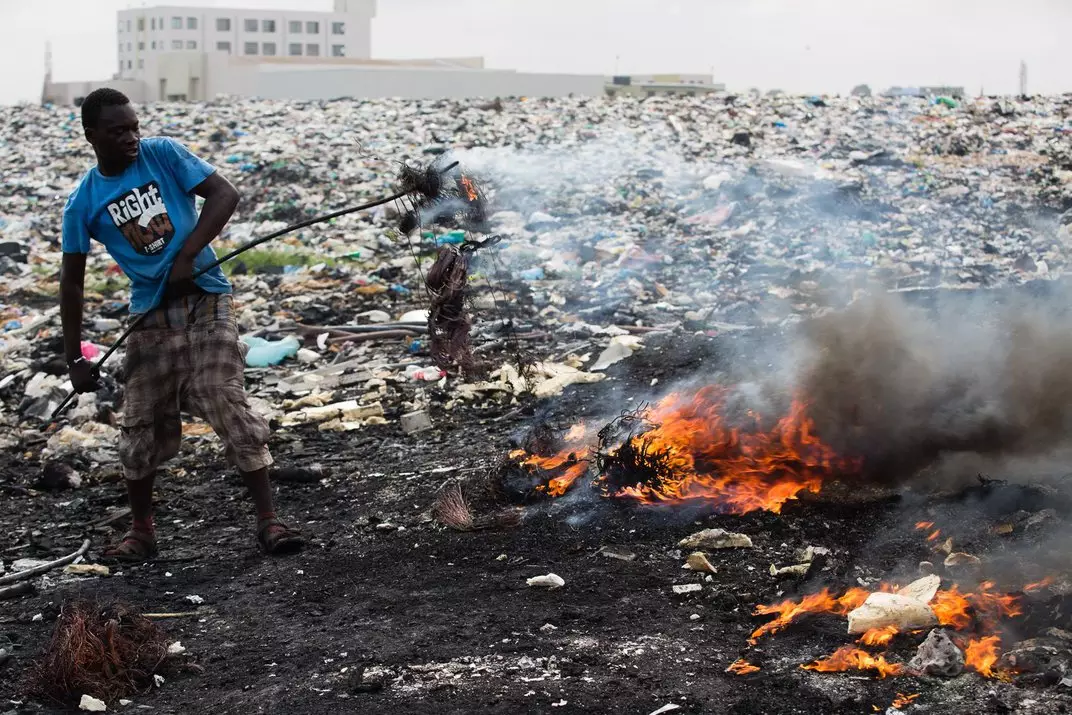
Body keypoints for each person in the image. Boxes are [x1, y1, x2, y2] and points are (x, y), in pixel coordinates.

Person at [60, 88, 304, 561]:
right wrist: (74, 359)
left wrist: (187, 257)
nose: (132, 137)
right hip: (149, 315)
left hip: (206, 299)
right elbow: (71, 281)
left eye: (134, 126)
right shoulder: (83, 202)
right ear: (92, 136)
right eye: (118, 131)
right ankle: (142, 532)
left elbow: (224, 193)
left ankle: (269, 521)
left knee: (223, 396)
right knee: (140, 423)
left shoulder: (164, 153)